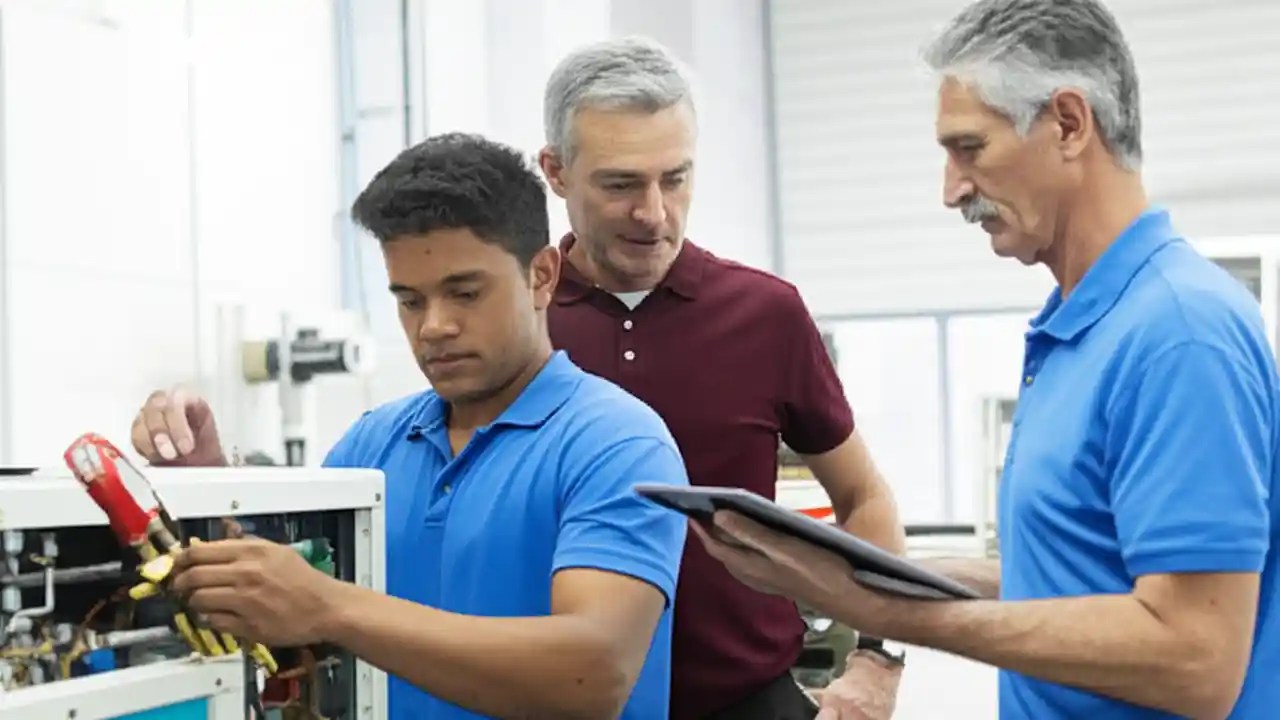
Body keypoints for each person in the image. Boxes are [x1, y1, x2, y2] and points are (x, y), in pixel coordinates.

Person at [694, 1, 1279, 719]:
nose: (952, 191)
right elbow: (1074, 579)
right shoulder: (1077, 330)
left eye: (969, 148)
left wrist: (892, 617)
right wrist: (871, 573)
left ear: (1068, 124)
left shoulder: (1181, 333)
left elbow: (1195, 659)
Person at [132, 133, 692, 720]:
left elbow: (591, 678)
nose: (434, 327)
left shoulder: (617, 446)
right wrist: (207, 483)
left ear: (541, 277)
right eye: (410, 301)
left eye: (465, 293)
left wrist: (332, 607)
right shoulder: (372, 445)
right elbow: (280, 606)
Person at [536, 36, 908, 720]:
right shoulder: (521, 326)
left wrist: (877, 662)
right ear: (556, 171)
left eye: (675, 179)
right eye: (621, 184)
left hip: (749, 703)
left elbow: (865, 497)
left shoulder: (765, 314)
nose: (654, 214)